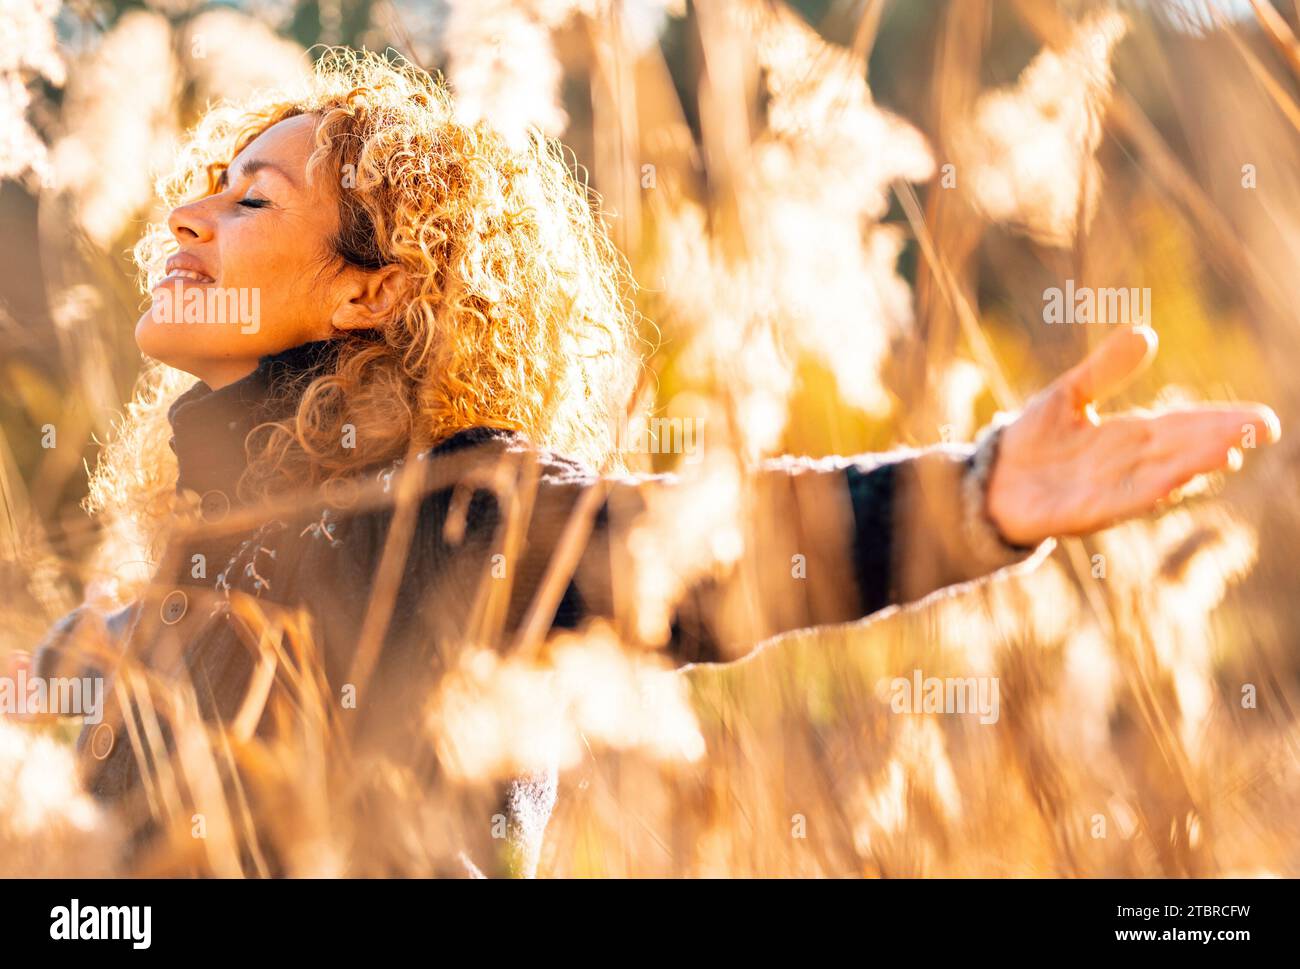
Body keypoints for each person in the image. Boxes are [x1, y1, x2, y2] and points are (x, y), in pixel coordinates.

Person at [23, 50, 1279, 877]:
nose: (185, 215)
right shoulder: (134, 606)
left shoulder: (444, 510)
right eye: (203, 191)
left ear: (372, 293)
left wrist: (968, 499)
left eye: (251, 202)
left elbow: (679, 550)